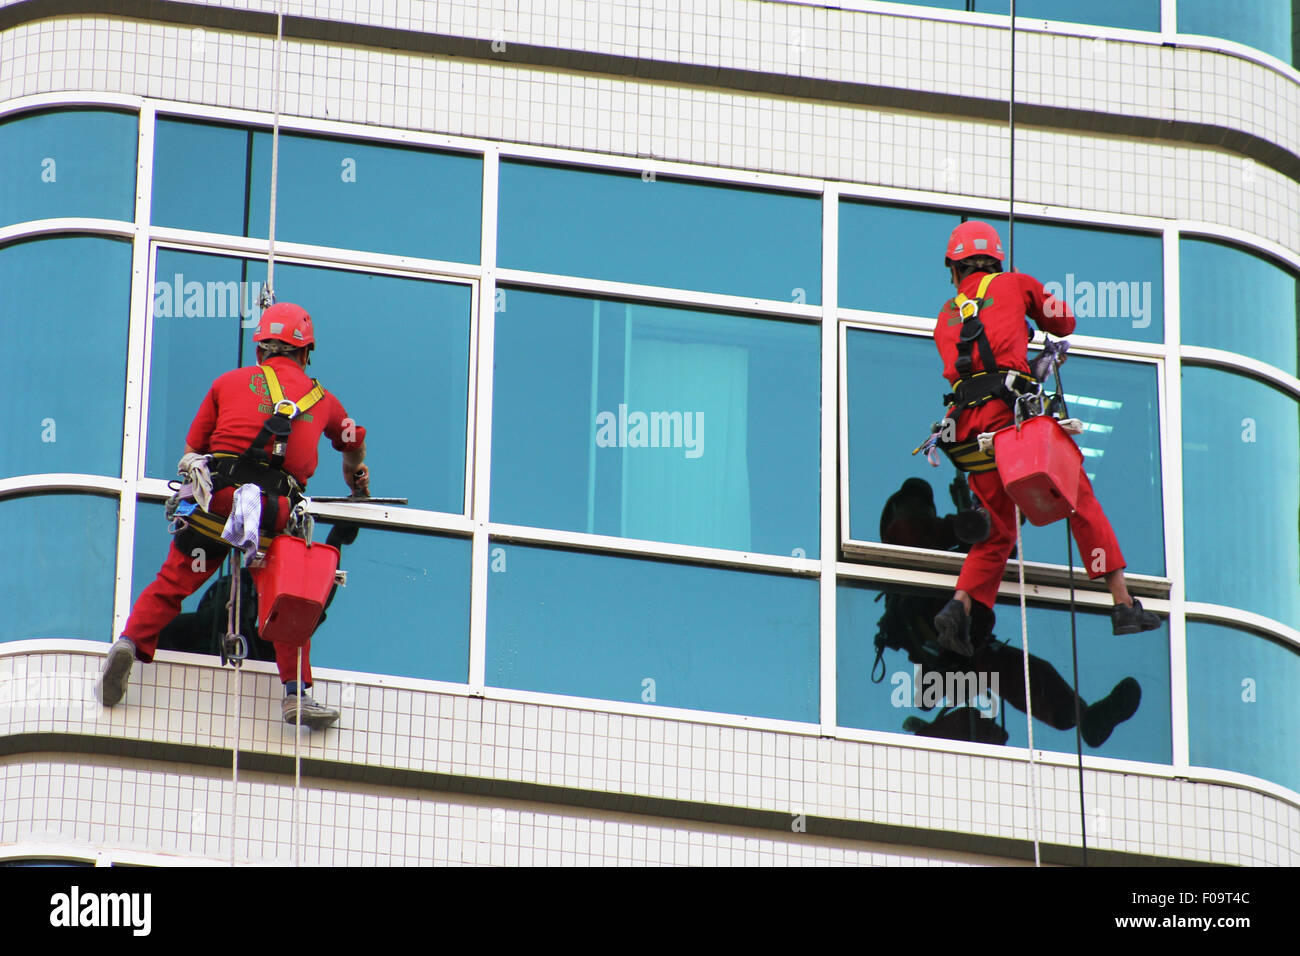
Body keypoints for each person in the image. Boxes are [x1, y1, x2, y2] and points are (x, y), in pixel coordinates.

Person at [95, 303, 369, 729]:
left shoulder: (227, 382)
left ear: (261, 349)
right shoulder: (324, 401)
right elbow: (352, 441)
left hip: (219, 503)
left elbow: (193, 450)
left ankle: (130, 641)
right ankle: (296, 694)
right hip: (273, 516)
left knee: (173, 583)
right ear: (305, 352)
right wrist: (356, 479)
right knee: (289, 600)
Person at [930, 221, 1161, 656]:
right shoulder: (1017, 284)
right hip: (1011, 425)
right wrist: (1028, 315)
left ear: (955, 269)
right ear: (996, 260)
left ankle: (958, 607)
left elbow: (976, 357)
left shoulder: (946, 315)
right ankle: (1124, 604)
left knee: (997, 533)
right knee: (1078, 497)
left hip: (968, 436)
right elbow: (1064, 320)